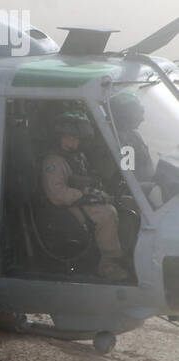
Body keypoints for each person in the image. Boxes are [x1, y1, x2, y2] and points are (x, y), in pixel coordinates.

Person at [40, 112, 128, 281]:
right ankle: (107, 265)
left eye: (77, 139)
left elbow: (86, 180)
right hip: (66, 208)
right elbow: (57, 194)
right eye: (69, 138)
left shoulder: (77, 157)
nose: (73, 143)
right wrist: (85, 196)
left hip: (84, 201)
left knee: (126, 203)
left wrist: (97, 193)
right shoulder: (53, 162)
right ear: (58, 137)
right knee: (107, 214)